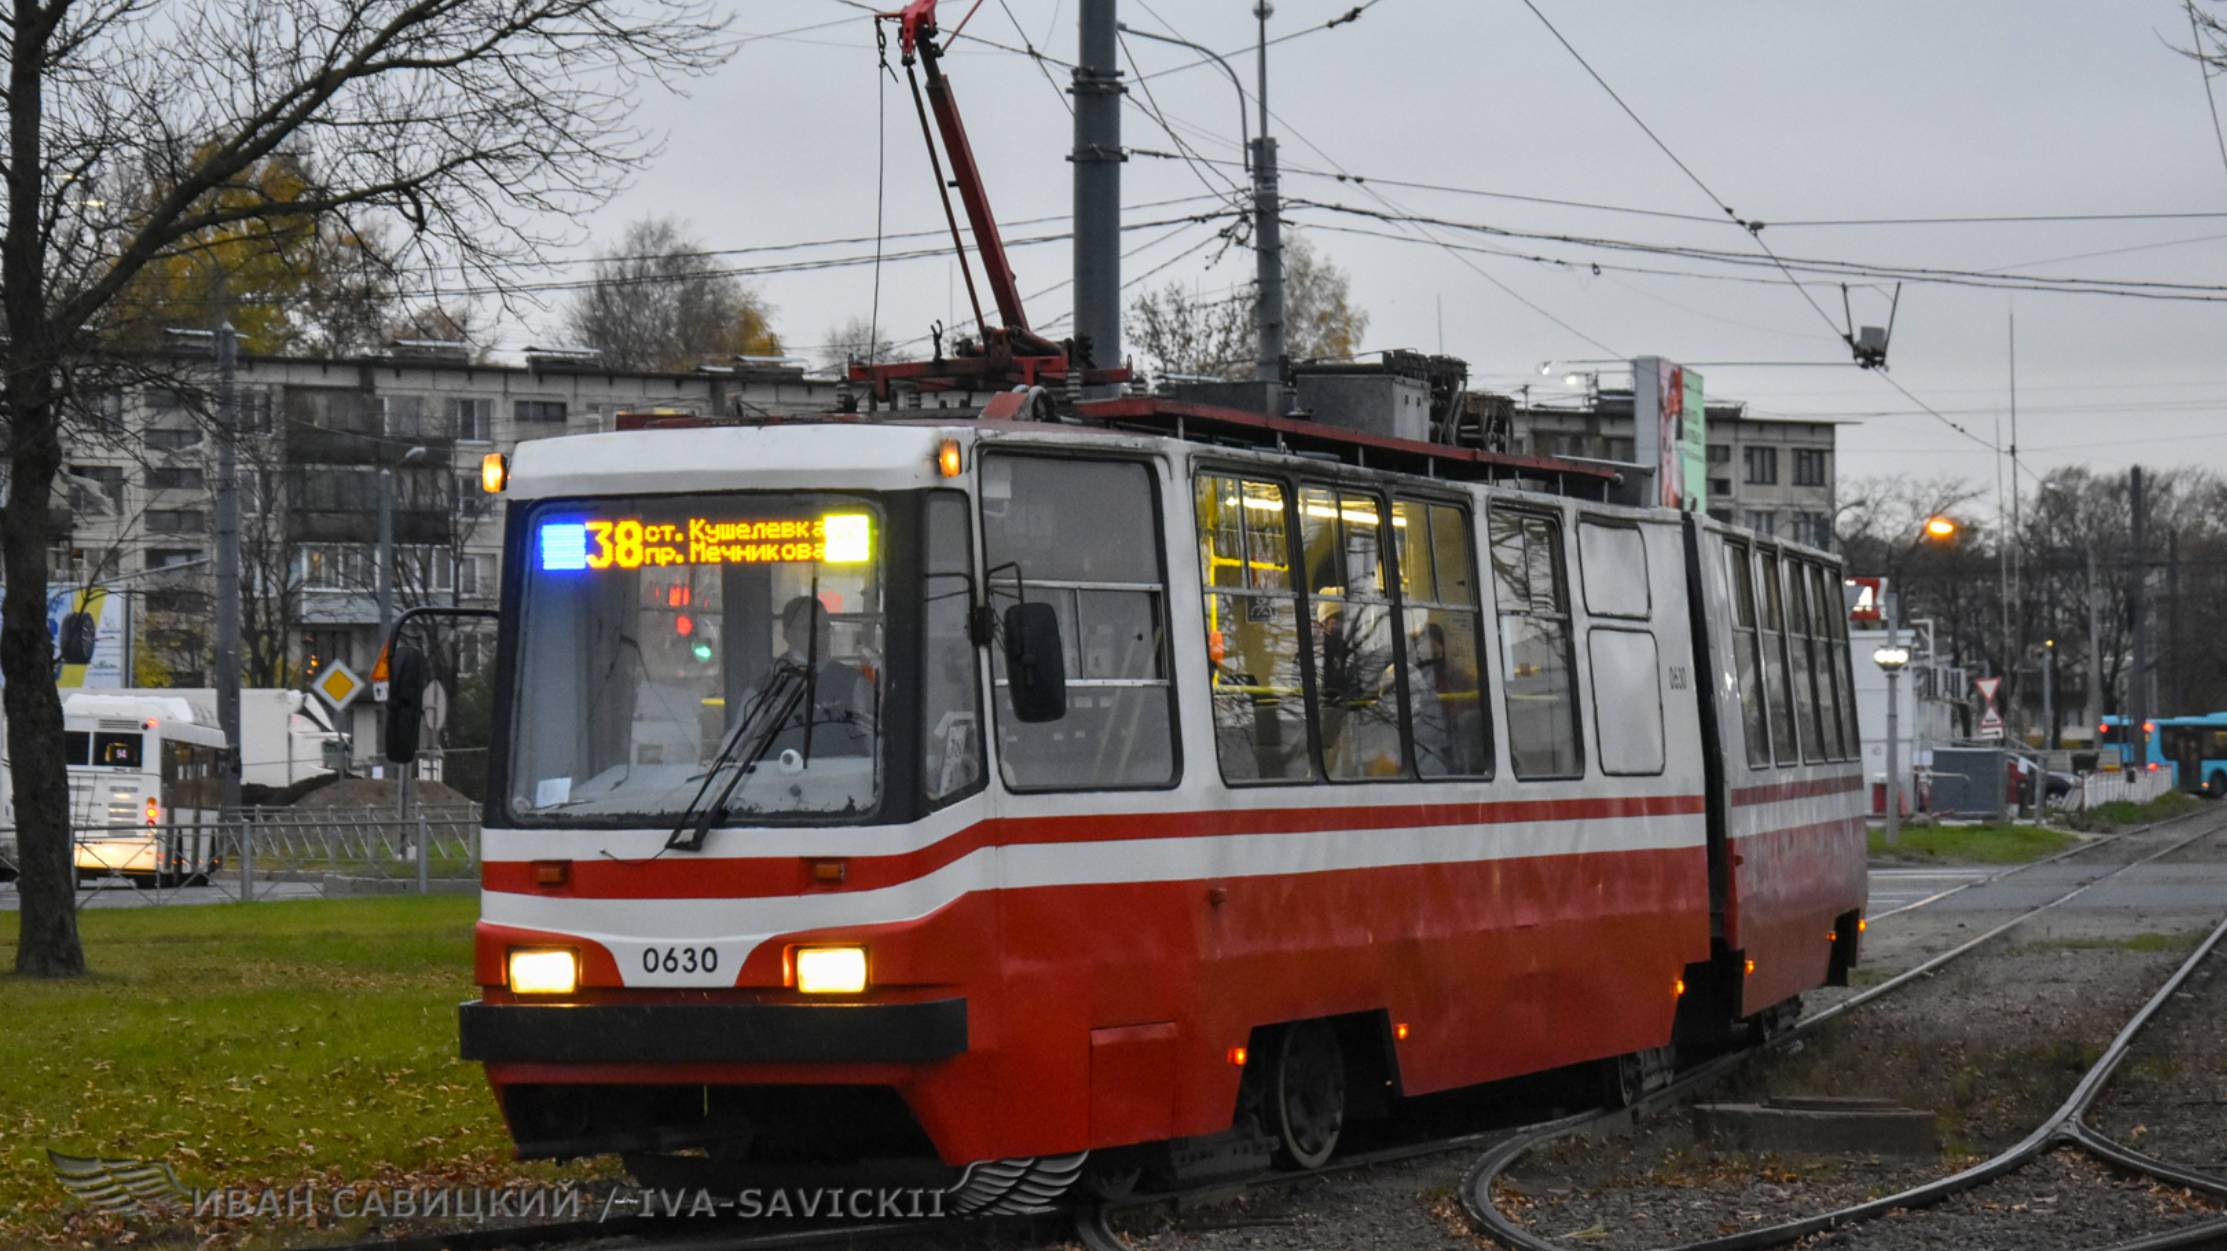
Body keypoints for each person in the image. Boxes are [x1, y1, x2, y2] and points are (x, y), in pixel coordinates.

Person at [761, 595, 872, 757]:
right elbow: (741, 741)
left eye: (824, 628)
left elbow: (873, 741)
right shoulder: (767, 685)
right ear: (787, 633)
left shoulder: (853, 682)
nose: (819, 635)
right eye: (808, 629)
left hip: (842, 779)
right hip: (779, 779)